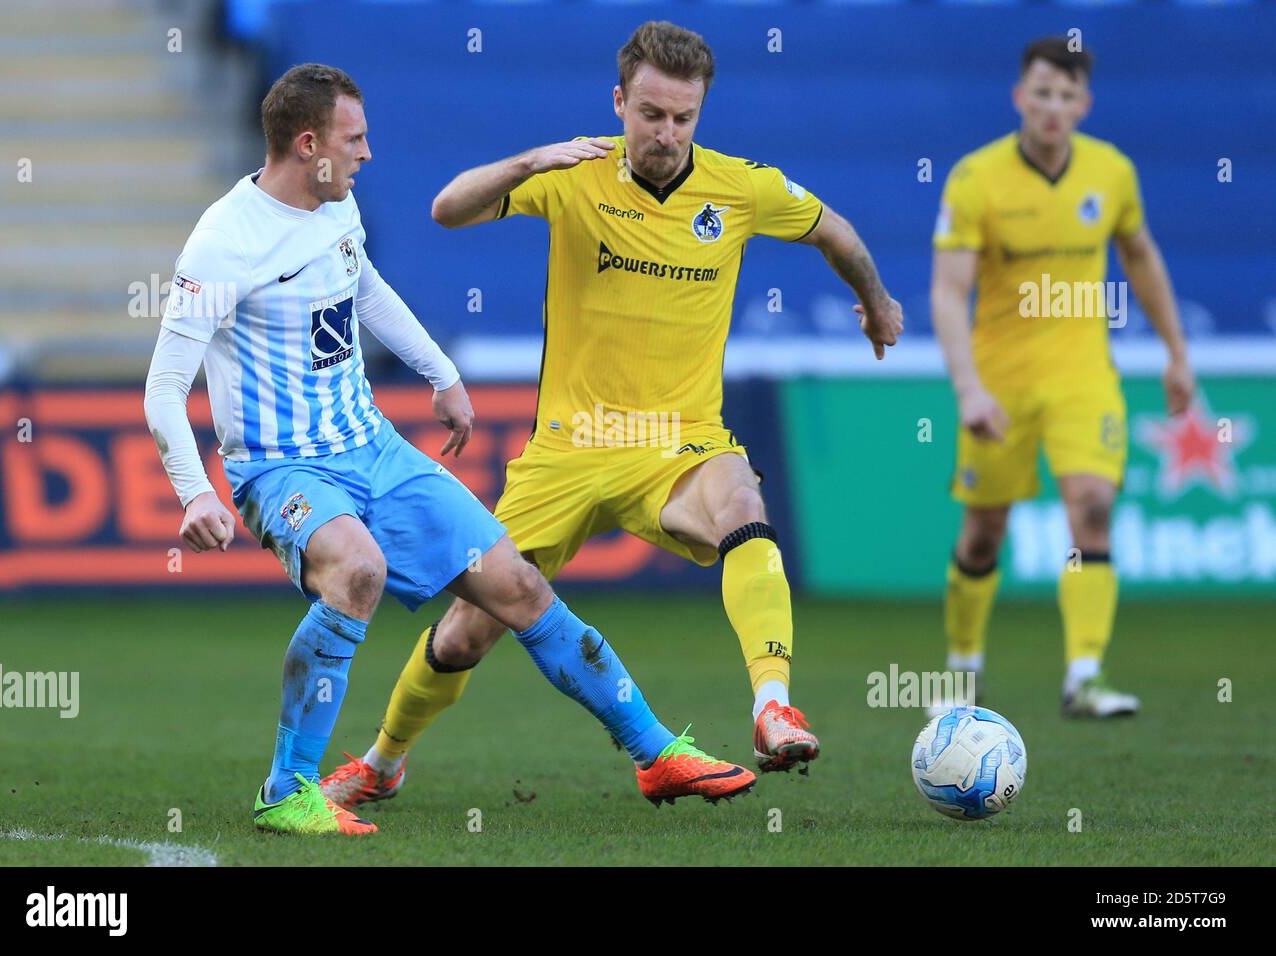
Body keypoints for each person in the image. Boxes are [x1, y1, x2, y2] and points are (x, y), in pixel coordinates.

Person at [143, 63, 756, 835]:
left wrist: (441, 374)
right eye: (354, 137)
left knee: (520, 588)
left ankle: (654, 752)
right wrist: (194, 491)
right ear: (309, 144)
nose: (368, 152)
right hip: (281, 466)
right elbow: (164, 387)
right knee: (356, 570)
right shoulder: (223, 244)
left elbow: (362, 287)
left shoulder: (337, 205)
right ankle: (287, 790)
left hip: (374, 448)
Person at [323, 21, 903, 810]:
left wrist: (874, 302)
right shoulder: (574, 173)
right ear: (620, 101)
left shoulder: (740, 188)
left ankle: (772, 705)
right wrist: (530, 160)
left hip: (680, 443)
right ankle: (383, 762)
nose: (667, 134)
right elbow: (446, 210)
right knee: (467, 631)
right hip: (568, 449)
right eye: (652, 114)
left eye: (684, 118)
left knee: (742, 504)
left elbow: (834, 230)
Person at [929, 38, 1195, 718]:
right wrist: (968, 388)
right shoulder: (974, 179)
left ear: (1084, 104)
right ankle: (962, 674)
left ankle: (1085, 676)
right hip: (1001, 380)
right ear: (1020, 97)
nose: (1052, 108)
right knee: (985, 531)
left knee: (1093, 508)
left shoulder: (1111, 172)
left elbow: (1141, 257)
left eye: (1065, 96)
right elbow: (947, 290)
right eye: (1040, 93)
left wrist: (1177, 353)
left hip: (1083, 374)